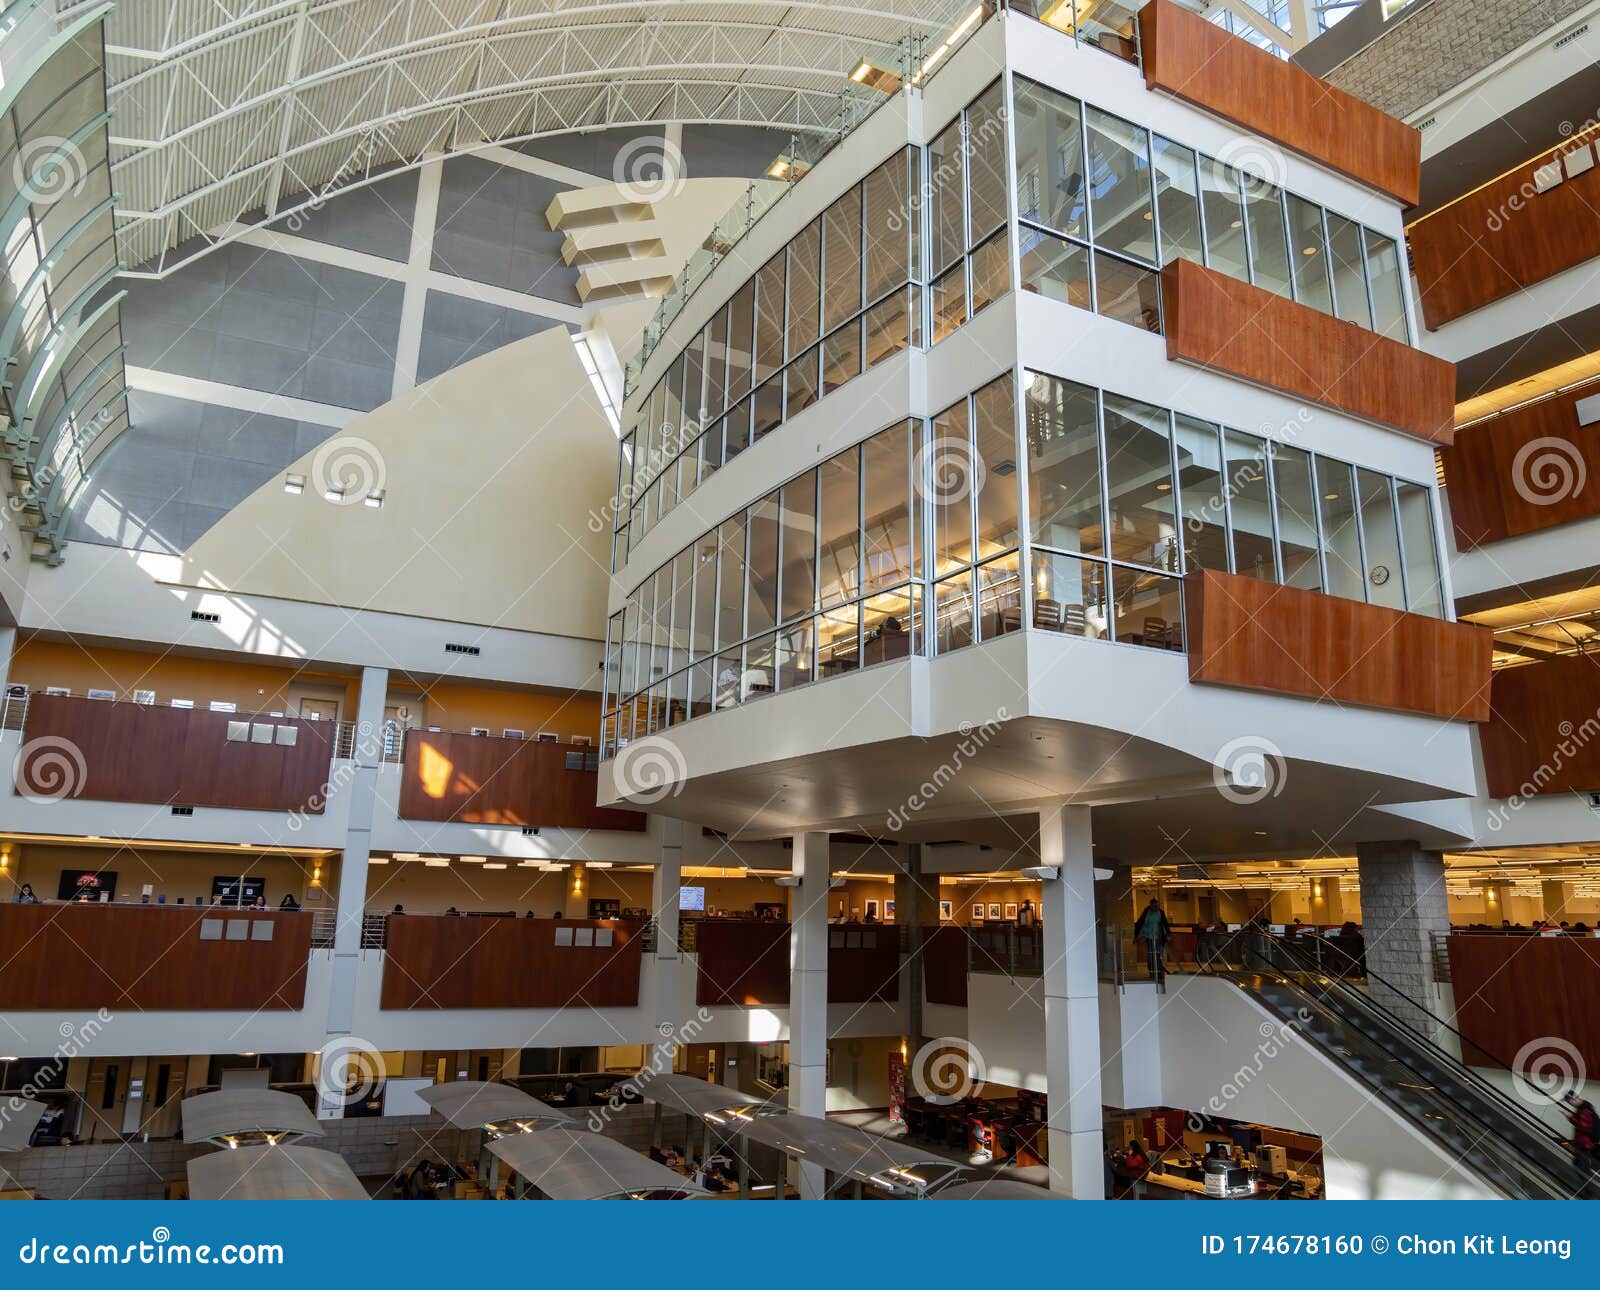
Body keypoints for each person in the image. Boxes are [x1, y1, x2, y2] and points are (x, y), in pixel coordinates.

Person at [1133, 898, 1172, 981]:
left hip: (1158, 936)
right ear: (1150, 905)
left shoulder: (1160, 913)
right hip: (1149, 936)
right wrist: (1137, 936)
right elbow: (1140, 923)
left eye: (1157, 906)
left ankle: (1158, 972)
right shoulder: (1146, 913)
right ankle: (1152, 972)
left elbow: (1165, 923)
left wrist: (1168, 934)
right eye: (1154, 906)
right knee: (1151, 955)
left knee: (1158, 955)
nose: (1155, 908)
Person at [1565, 1093, 1600, 1172]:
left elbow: (1584, 1126)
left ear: (1574, 1099)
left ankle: (1586, 1182)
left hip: (1587, 1143)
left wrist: (1571, 1117)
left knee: (1580, 1165)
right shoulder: (1585, 1108)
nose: (1570, 1103)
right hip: (1586, 1143)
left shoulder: (1585, 1110)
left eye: (1569, 1101)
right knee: (1579, 1164)